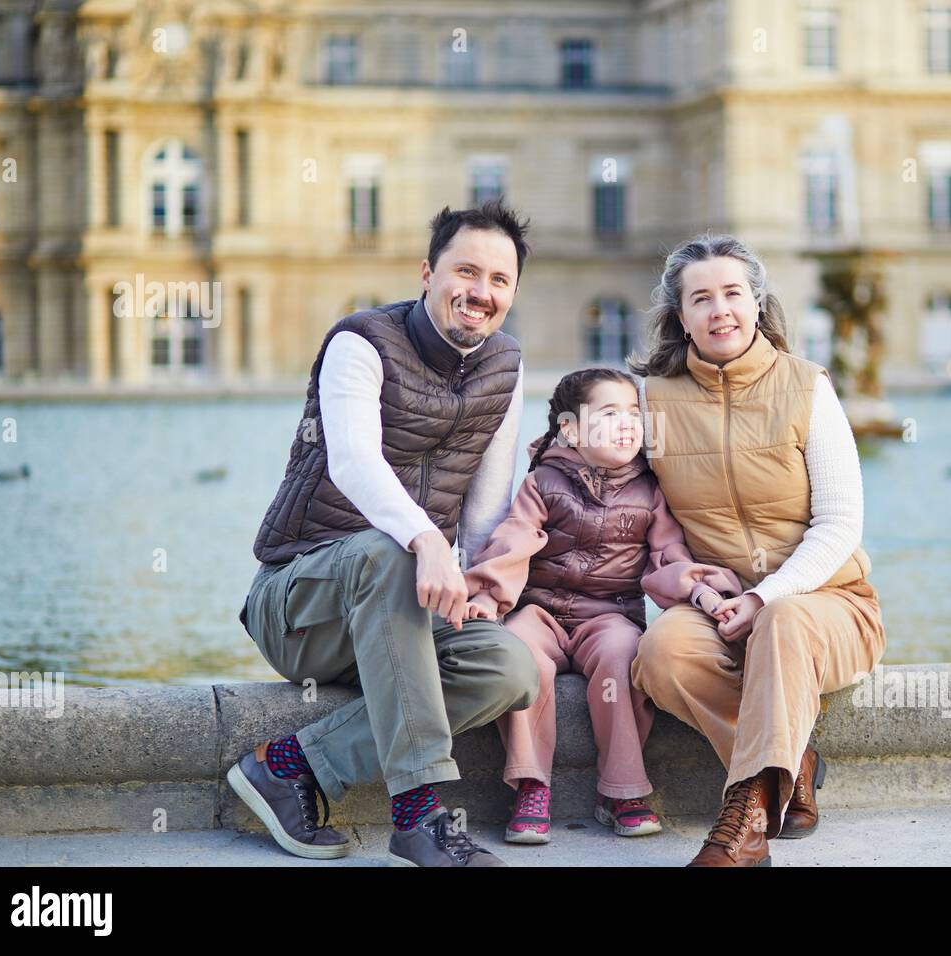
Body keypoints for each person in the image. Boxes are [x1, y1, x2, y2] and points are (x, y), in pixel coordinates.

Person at [231, 200, 540, 867]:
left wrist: (483, 586)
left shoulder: (506, 368)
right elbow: (353, 463)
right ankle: (420, 815)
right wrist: (427, 540)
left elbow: (486, 506)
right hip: (301, 603)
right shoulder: (360, 342)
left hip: (401, 610)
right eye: (466, 272)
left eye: (499, 281)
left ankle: (287, 767)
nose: (481, 293)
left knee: (510, 668)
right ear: (427, 273)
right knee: (389, 550)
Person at [628, 233, 887, 867]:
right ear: (680, 316)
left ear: (757, 303)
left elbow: (839, 523)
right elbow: (622, 502)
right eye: (701, 298)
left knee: (784, 618)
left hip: (826, 603)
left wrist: (763, 595)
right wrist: (555, 459)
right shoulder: (650, 399)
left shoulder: (806, 387)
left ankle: (744, 824)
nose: (720, 310)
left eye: (733, 294)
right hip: (717, 607)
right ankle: (793, 759)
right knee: (660, 653)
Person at [461, 368, 744, 844]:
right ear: (570, 430)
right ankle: (531, 784)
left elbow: (667, 557)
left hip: (608, 614)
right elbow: (515, 539)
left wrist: (703, 592)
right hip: (540, 610)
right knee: (521, 654)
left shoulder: (650, 490)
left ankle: (621, 790)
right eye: (610, 413)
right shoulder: (544, 480)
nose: (627, 423)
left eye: (634, 413)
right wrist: (488, 597)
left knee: (622, 656)